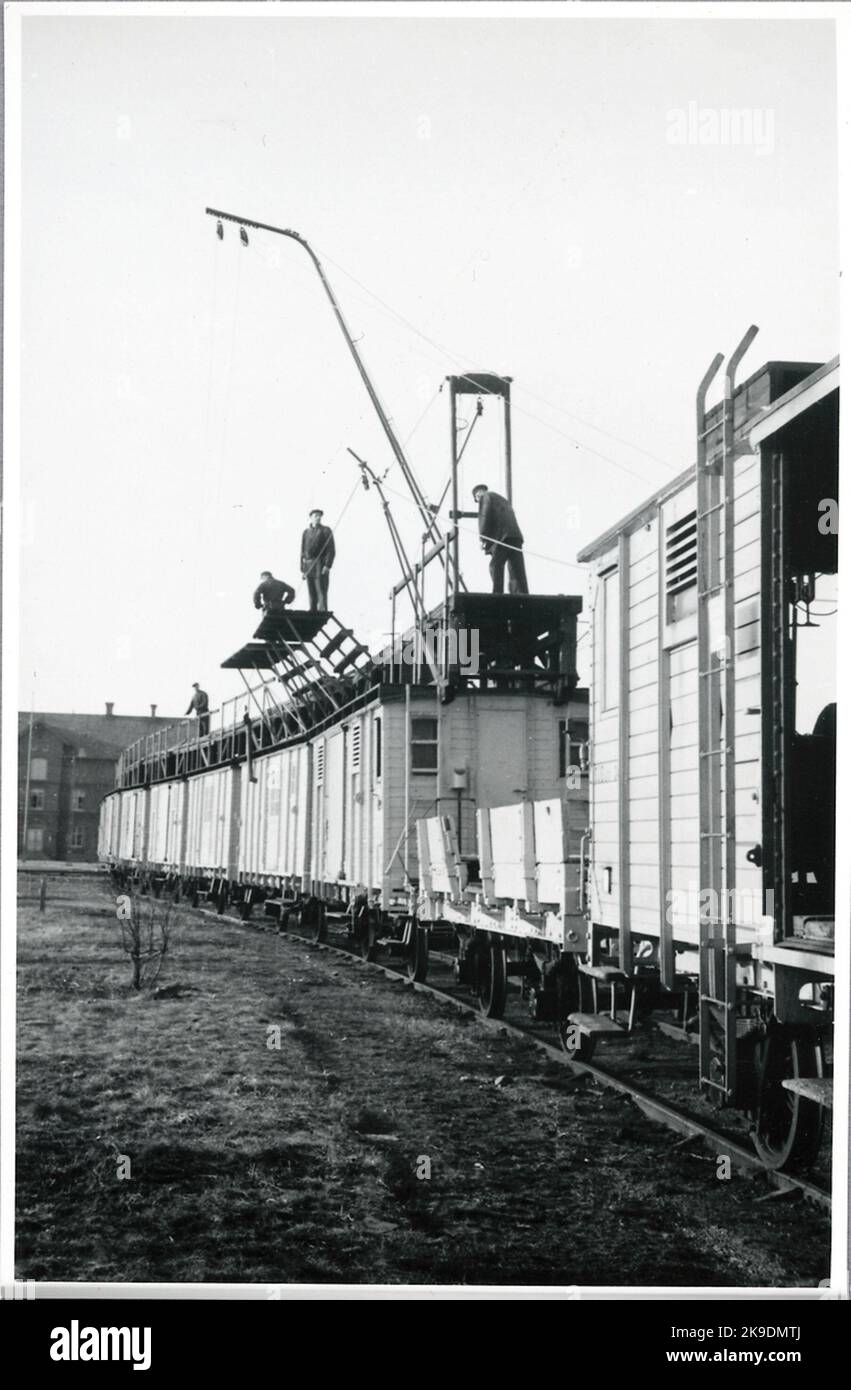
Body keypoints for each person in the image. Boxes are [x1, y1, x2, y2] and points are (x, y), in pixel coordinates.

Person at [472, 484, 529, 595]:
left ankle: (497, 593)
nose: (478, 501)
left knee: (495, 565)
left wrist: (483, 538)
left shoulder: (485, 497)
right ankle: (521, 594)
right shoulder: (502, 499)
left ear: (478, 494)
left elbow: (485, 515)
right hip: (515, 536)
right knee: (516, 568)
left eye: (477, 499)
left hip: (502, 537)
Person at [300, 509, 336, 611]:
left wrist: (327, 565)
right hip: (308, 564)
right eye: (316, 515)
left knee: (321, 588)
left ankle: (322, 610)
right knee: (311, 589)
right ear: (311, 517)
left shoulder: (326, 530)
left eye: (320, 516)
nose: (318, 517)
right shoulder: (306, 532)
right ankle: (312, 609)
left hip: (320, 563)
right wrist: (303, 569)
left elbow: (331, 549)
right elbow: (302, 551)